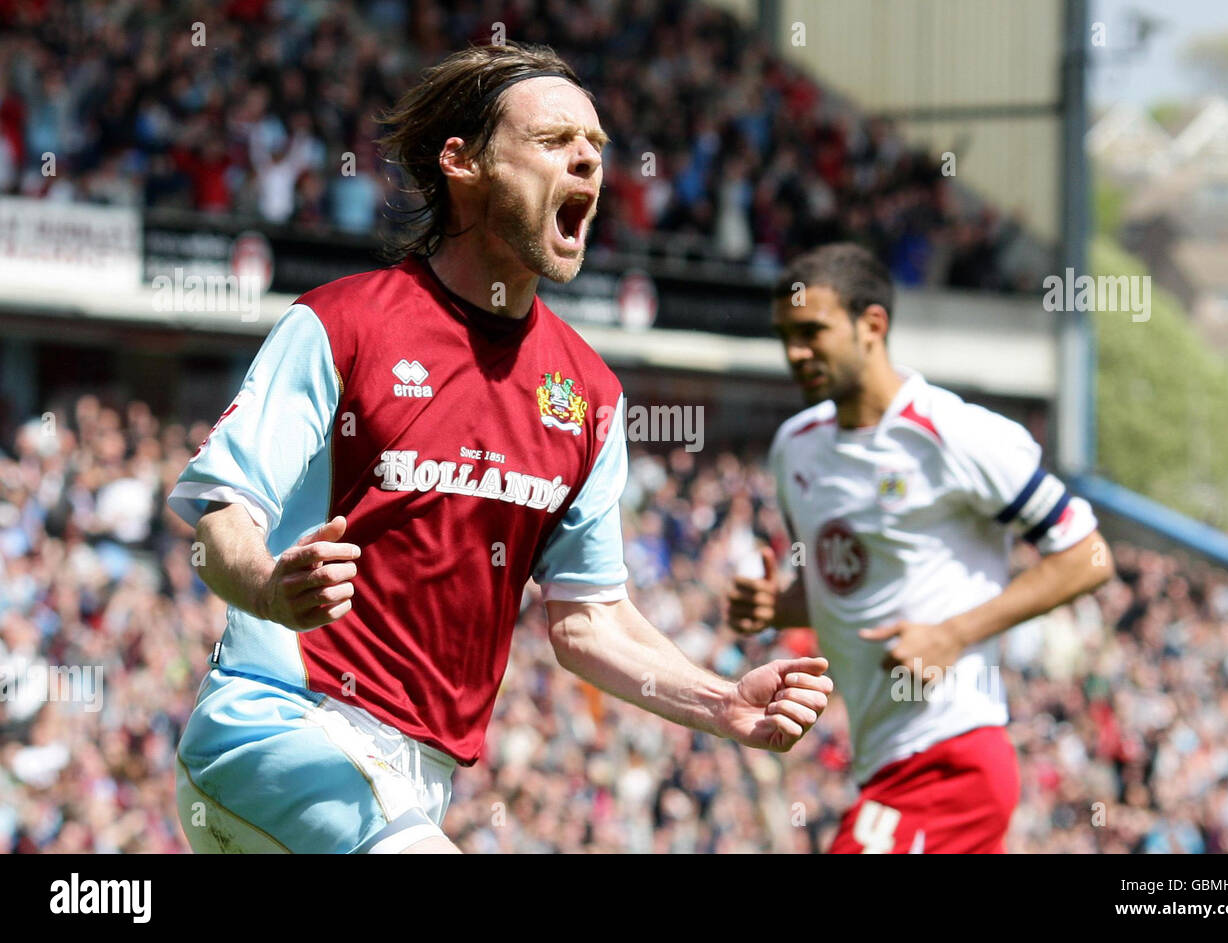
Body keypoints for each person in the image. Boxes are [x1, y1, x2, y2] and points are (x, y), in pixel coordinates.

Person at [166, 41, 832, 855]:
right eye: (554, 141)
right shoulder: (340, 325)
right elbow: (219, 514)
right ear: (462, 162)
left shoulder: (587, 394)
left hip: (411, 784)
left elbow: (588, 620)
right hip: (272, 731)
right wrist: (270, 585)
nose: (587, 159)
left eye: (596, 148)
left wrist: (722, 702)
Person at [726, 242, 1114, 853]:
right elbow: (843, 586)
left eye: (812, 332)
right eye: (785, 336)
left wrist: (954, 633)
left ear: (872, 325)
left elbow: (1089, 555)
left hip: (951, 756)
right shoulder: (796, 447)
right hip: (883, 761)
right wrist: (775, 606)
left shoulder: (956, 435)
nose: (795, 353)